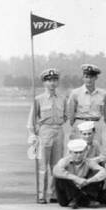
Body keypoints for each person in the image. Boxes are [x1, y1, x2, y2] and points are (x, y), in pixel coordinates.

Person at [29, 68, 66, 202]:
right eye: (49, 80)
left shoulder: (62, 98)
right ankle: (41, 195)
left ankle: (54, 194)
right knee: (43, 166)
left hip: (58, 131)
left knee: (56, 165)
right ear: (44, 83)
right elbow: (31, 121)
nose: (52, 83)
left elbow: (65, 116)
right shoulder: (38, 99)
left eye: (55, 80)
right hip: (44, 131)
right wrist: (33, 135)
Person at [52, 139, 106, 208]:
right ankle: (76, 200)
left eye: (81, 152)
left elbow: (104, 172)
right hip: (67, 197)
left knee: (97, 173)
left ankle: (82, 200)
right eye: (76, 153)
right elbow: (56, 170)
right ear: (70, 152)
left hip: (83, 190)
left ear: (85, 152)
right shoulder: (64, 161)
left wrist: (88, 181)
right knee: (60, 176)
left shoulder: (88, 161)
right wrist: (76, 179)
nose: (78, 155)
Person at [67, 64, 106, 155]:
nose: (89, 80)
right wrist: (76, 124)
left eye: (91, 77)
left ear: (96, 78)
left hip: (95, 124)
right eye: (86, 77)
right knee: (77, 150)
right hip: (80, 123)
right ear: (83, 78)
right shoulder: (75, 93)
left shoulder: (102, 94)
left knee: (95, 150)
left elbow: (104, 111)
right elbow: (70, 112)